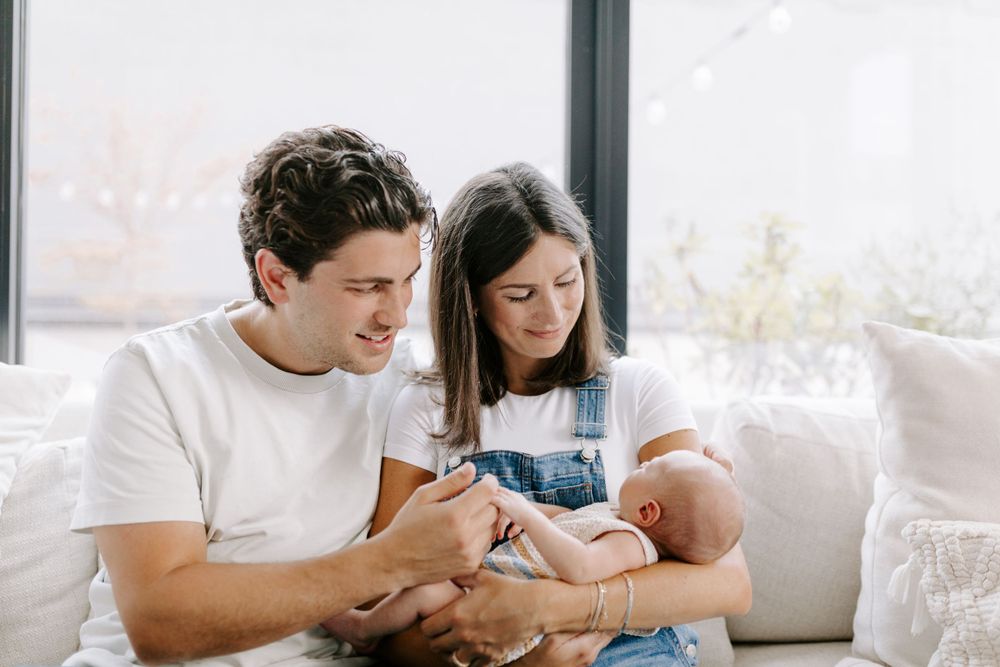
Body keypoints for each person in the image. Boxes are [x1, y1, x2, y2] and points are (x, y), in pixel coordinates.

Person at [63, 126, 504, 667]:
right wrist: (390, 561)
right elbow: (160, 624)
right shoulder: (157, 376)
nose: (396, 313)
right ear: (276, 277)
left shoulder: (410, 385)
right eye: (367, 288)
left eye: (407, 280)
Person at [364, 162, 753, 667]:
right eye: (520, 295)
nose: (552, 313)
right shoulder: (426, 409)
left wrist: (551, 609)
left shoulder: (639, 390)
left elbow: (727, 583)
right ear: (472, 299)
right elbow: (384, 610)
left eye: (567, 281)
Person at [322, 448, 745, 665]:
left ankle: (363, 629)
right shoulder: (613, 515)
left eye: (650, 467)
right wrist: (533, 515)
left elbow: (580, 566)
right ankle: (365, 629)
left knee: (429, 593)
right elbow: (568, 520)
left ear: (649, 511)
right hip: (489, 603)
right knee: (425, 591)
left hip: (533, 637)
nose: (644, 461)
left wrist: (524, 511)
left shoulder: (631, 543)